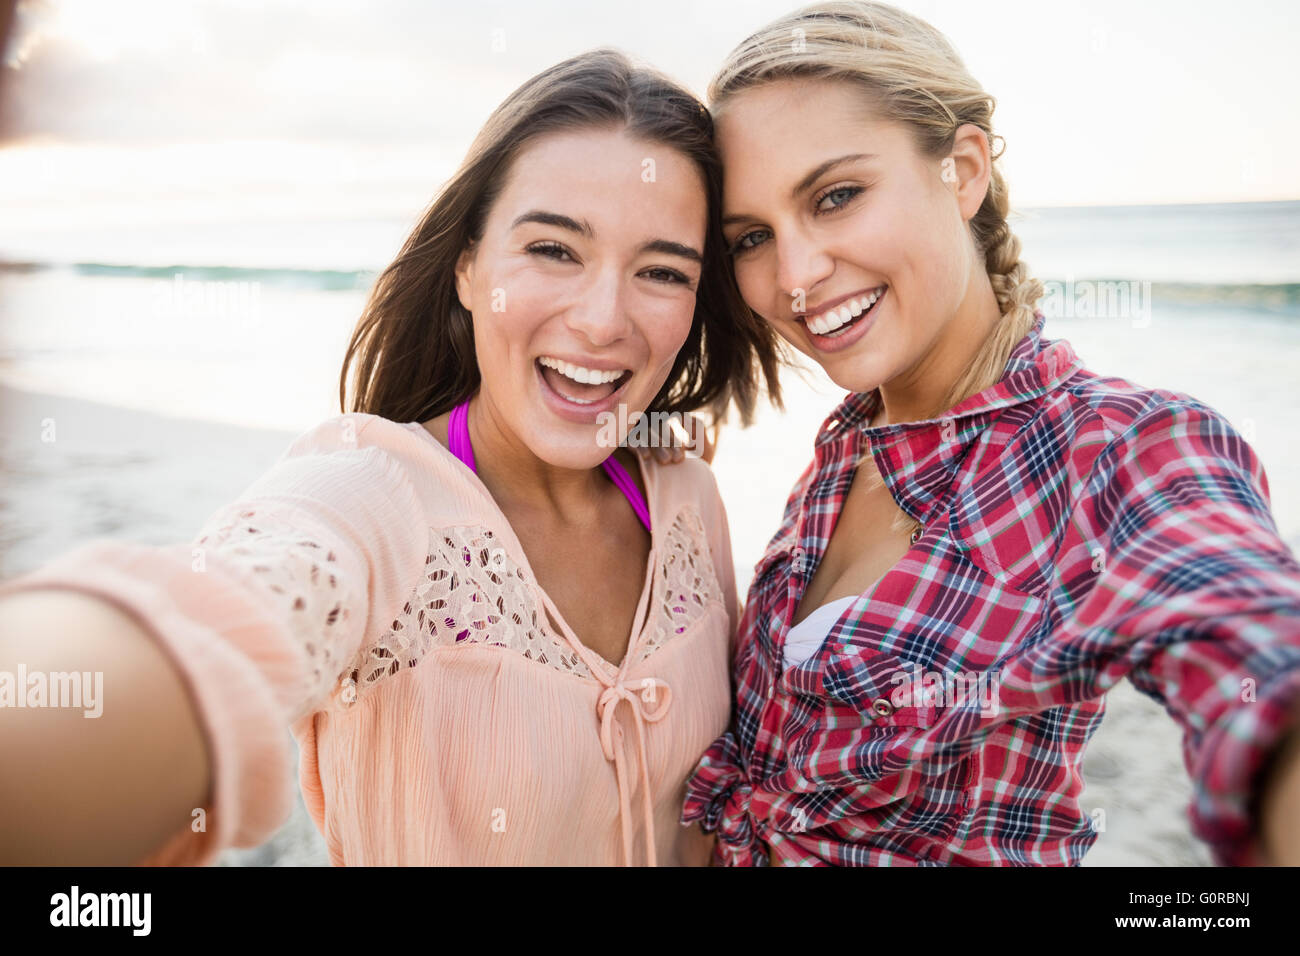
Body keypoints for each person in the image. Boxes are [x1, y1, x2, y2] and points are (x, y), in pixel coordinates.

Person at [0, 48, 782, 866]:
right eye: (554, 250)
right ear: (468, 269)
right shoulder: (373, 493)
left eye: (661, 270)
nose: (602, 319)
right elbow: (232, 603)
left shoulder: (690, 499)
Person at [680, 0, 1300, 866]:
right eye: (752, 236)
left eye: (837, 196)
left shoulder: (1117, 445)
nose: (795, 275)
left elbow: (1249, 643)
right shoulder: (845, 450)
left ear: (962, 169)